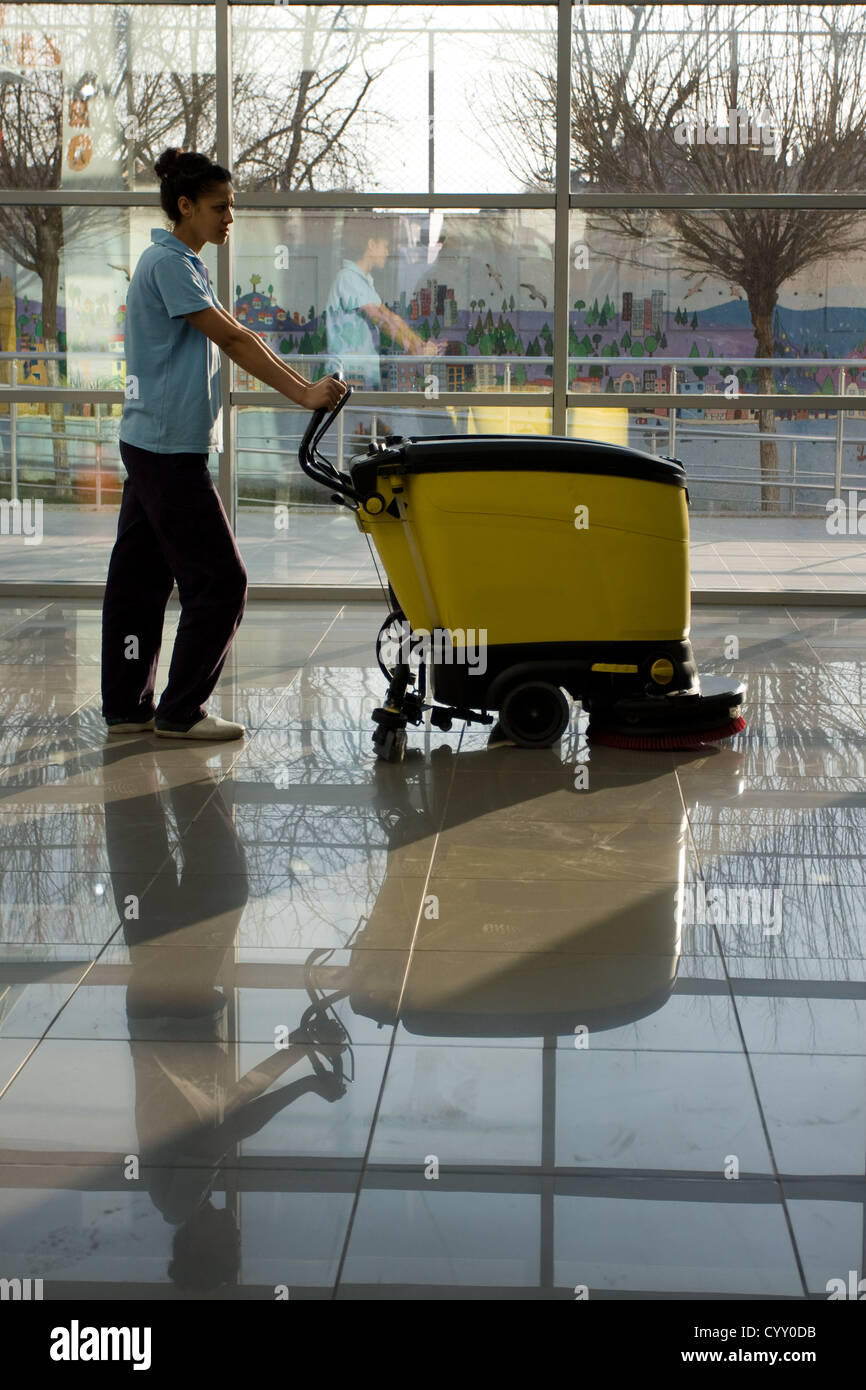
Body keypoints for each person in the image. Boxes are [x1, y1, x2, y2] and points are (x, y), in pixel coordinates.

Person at [101, 147, 346, 741]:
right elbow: (235, 339)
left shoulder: (178, 260)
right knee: (221, 583)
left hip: (150, 442)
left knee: (140, 581)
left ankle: (128, 707)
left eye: (231, 205)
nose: (228, 216)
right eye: (218, 206)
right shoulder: (171, 265)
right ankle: (180, 712)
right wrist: (304, 393)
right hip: (166, 450)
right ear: (184, 207)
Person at [325, 213, 439, 393]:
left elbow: (389, 316)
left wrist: (421, 345)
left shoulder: (363, 280)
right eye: (385, 246)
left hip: (359, 375)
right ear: (371, 245)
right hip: (347, 376)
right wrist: (417, 350)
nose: (387, 252)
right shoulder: (348, 278)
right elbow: (381, 319)